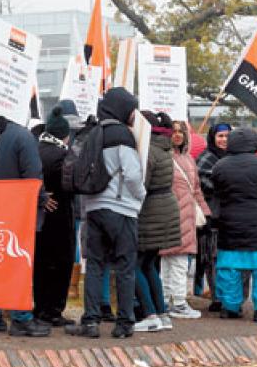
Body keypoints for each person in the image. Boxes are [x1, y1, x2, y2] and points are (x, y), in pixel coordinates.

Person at [65, 87, 145, 339]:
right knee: (124, 266)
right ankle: (124, 323)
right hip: (121, 207)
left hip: (93, 207)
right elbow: (131, 174)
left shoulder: (91, 133)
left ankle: (90, 322)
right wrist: (141, 196)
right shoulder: (123, 134)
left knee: (96, 265)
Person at [0, 104, 48, 337]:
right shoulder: (24, 137)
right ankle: (21, 317)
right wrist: (42, 199)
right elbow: (33, 176)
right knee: (18, 263)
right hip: (17, 211)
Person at [210, 128, 257, 322]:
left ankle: (230, 307)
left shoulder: (220, 166)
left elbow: (215, 191)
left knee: (229, 269)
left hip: (230, 225)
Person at [133, 111, 183, 333]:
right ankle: (161, 313)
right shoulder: (164, 148)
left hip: (151, 211)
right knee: (149, 264)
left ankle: (150, 314)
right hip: (165, 209)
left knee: (134, 265)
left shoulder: (148, 152)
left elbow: (141, 184)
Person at [160, 120, 211, 319]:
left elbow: (196, 189)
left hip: (187, 215)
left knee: (177, 261)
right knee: (172, 262)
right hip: (170, 214)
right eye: (174, 131)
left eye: (182, 132)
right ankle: (176, 302)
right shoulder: (165, 158)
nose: (178, 135)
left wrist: (204, 211)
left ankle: (170, 300)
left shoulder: (189, 159)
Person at [33, 106, 77, 328]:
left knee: (40, 263)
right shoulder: (64, 155)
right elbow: (73, 184)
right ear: (64, 135)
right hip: (61, 216)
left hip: (38, 217)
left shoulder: (35, 150)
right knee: (61, 264)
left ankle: (39, 307)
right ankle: (54, 310)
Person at [195, 122, 231, 311]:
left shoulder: (235, 157)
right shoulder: (206, 158)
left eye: (227, 136)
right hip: (212, 216)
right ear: (213, 137)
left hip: (232, 216)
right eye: (220, 136)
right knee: (212, 258)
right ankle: (217, 296)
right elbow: (204, 182)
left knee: (229, 258)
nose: (224, 140)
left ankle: (229, 296)